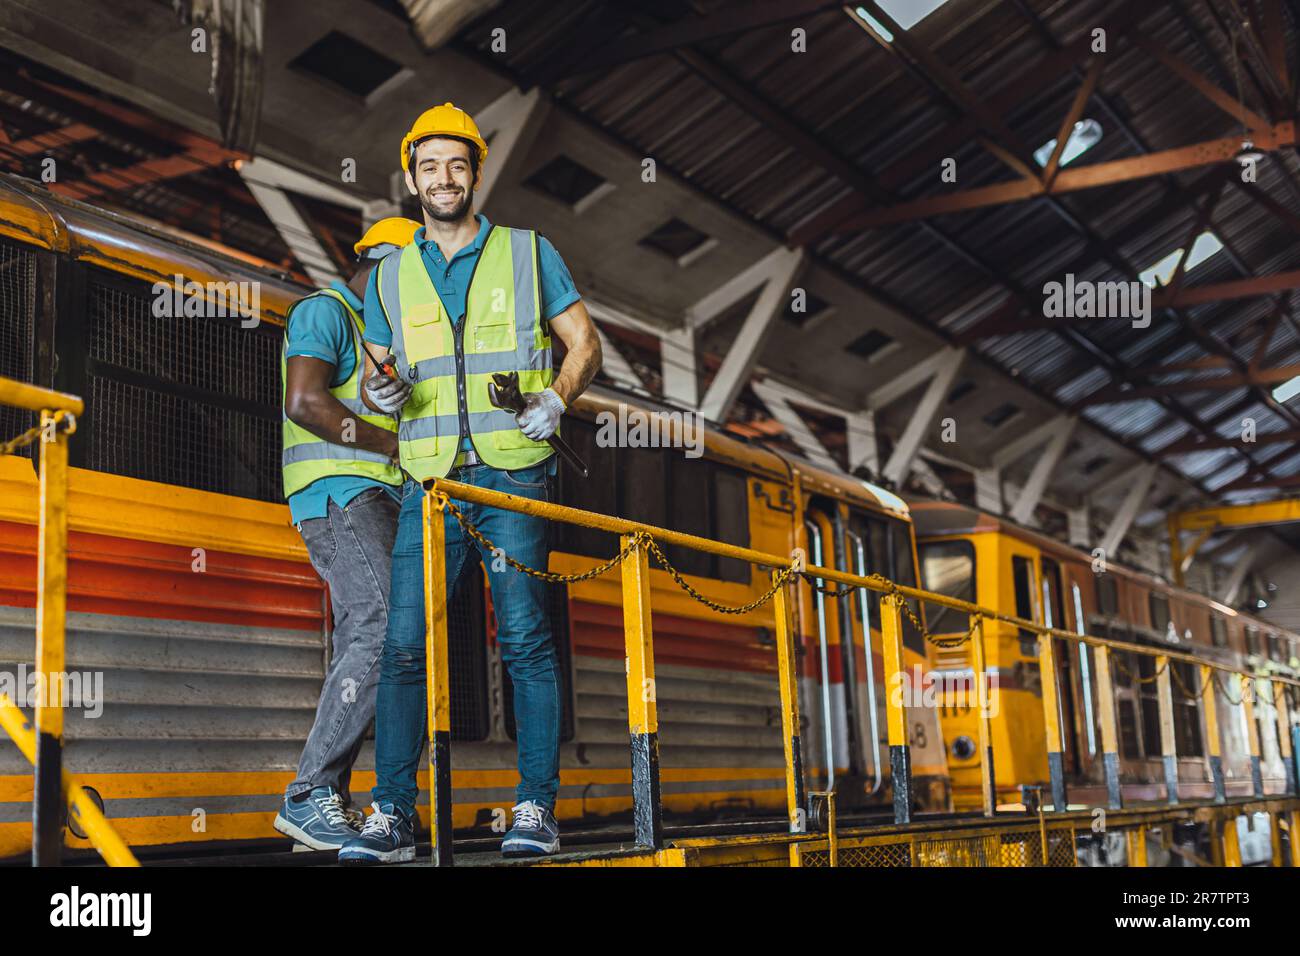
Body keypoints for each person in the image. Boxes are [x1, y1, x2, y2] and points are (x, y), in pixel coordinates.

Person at [338, 102, 601, 863]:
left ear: (475, 174)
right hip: (430, 484)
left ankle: (535, 809)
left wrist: (558, 396)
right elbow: (378, 382)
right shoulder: (388, 276)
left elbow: (585, 343)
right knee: (402, 648)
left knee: (523, 639)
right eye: (430, 167)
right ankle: (391, 815)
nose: (444, 178)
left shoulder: (528, 252)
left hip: (514, 478)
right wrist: (378, 397)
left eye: (458, 165)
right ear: (412, 179)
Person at [272, 218, 420, 850]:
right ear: (382, 265)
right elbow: (304, 401)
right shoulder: (325, 312)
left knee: (396, 633)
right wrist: (394, 443)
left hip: (378, 497)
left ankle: (337, 795)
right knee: (382, 623)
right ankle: (309, 793)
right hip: (339, 495)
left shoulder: (386, 340)